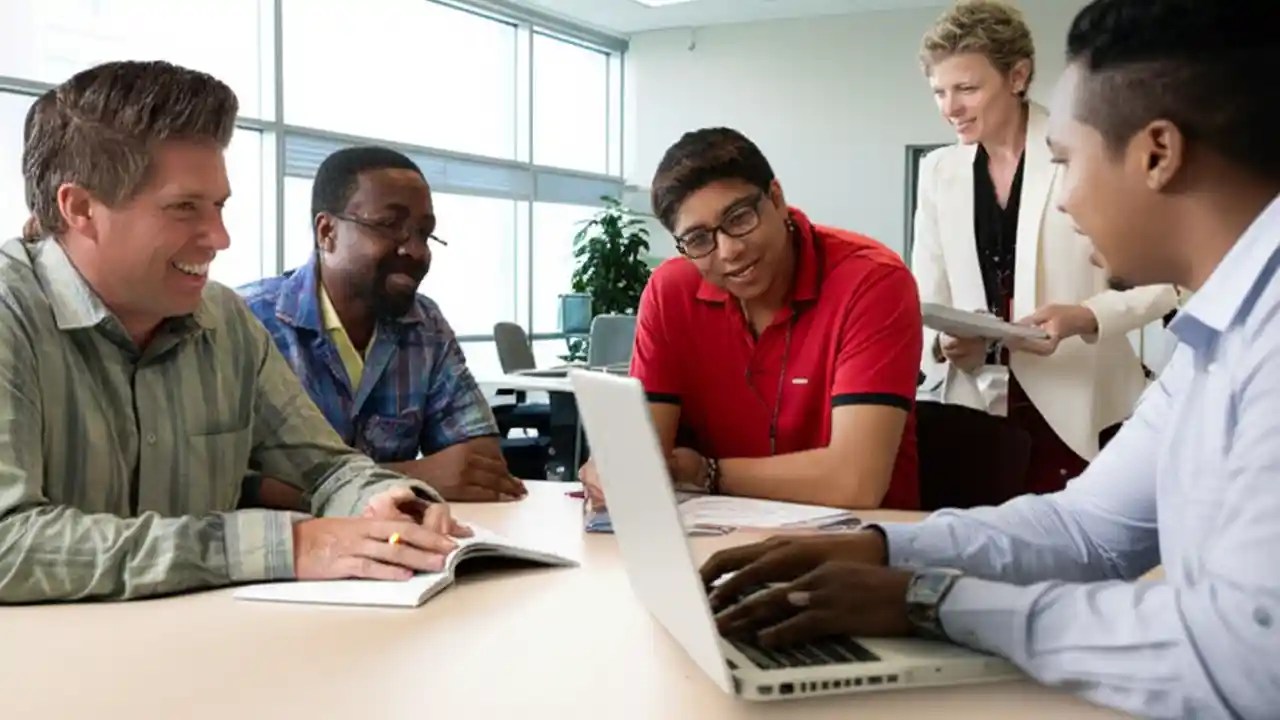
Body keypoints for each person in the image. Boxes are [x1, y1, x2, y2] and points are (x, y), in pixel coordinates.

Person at [701, 0, 1280, 717]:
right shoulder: (1218, 339)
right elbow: (1088, 530)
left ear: (1157, 154)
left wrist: (930, 600)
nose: (1063, 198)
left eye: (1066, 161)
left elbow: (1245, 657)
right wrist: (881, 549)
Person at [0, 60, 469, 604]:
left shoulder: (226, 322)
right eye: (184, 208)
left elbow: (330, 470)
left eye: (219, 206)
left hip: (214, 647)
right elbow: (8, 544)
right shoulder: (13, 315)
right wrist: (288, 546)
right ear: (81, 208)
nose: (220, 237)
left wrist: (390, 501)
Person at [912, 0, 1178, 495]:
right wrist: (942, 344)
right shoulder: (937, 171)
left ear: (1018, 76)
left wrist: (1086, 316)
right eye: (939, 92)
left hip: (1081, 409)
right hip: (976, 416)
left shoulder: (1090, 148)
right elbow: (928, 293)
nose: (950, 108)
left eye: (967, 89)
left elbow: (1171, 280)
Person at [582, 128, 923, 510]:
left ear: (776, 199)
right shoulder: (670, 292)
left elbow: (854, 482)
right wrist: (616, 469)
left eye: (739, 217)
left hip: (861, 537)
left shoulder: (871, 281)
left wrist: (706, 473)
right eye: (698, 239)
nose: (729, 250)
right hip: (719, 532)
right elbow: (647, 455)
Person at [239, 147, 525, 504]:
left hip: (403, 536)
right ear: (327, 232)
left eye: (424, 233)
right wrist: (410, 477)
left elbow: (480, 463)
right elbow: (232, 485)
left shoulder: (425, 326)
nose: (415, 251)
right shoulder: (247, 322)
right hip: (289, 539)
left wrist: (318, 486)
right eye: (390, 225)